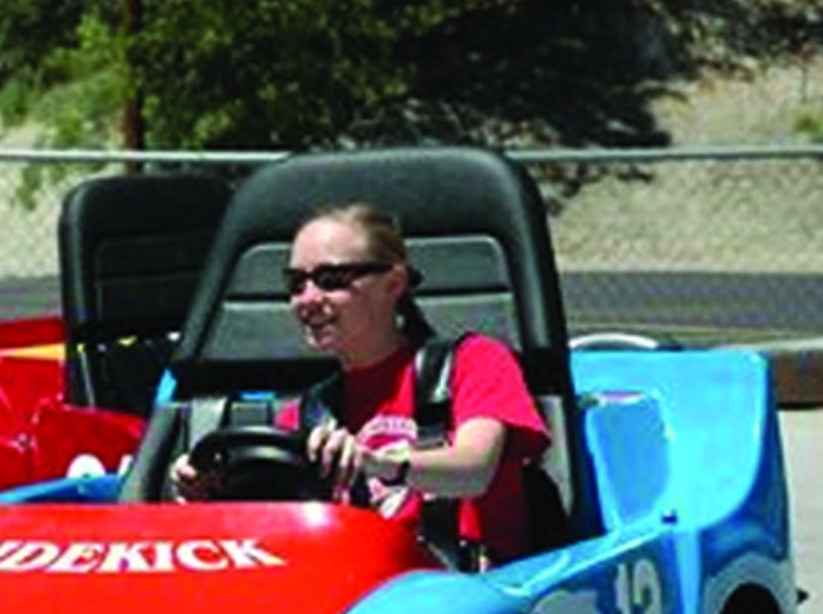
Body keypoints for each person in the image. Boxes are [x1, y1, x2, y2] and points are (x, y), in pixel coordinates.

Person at [173, 203, 552, 566]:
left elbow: (474, 469)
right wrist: (207, 493)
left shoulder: (472, 363)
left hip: (459, 591)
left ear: (394, 283)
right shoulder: (306, 416)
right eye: (296, 283)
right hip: (353, 592)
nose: (307, 300)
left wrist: (376, 461)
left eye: (330, 280)